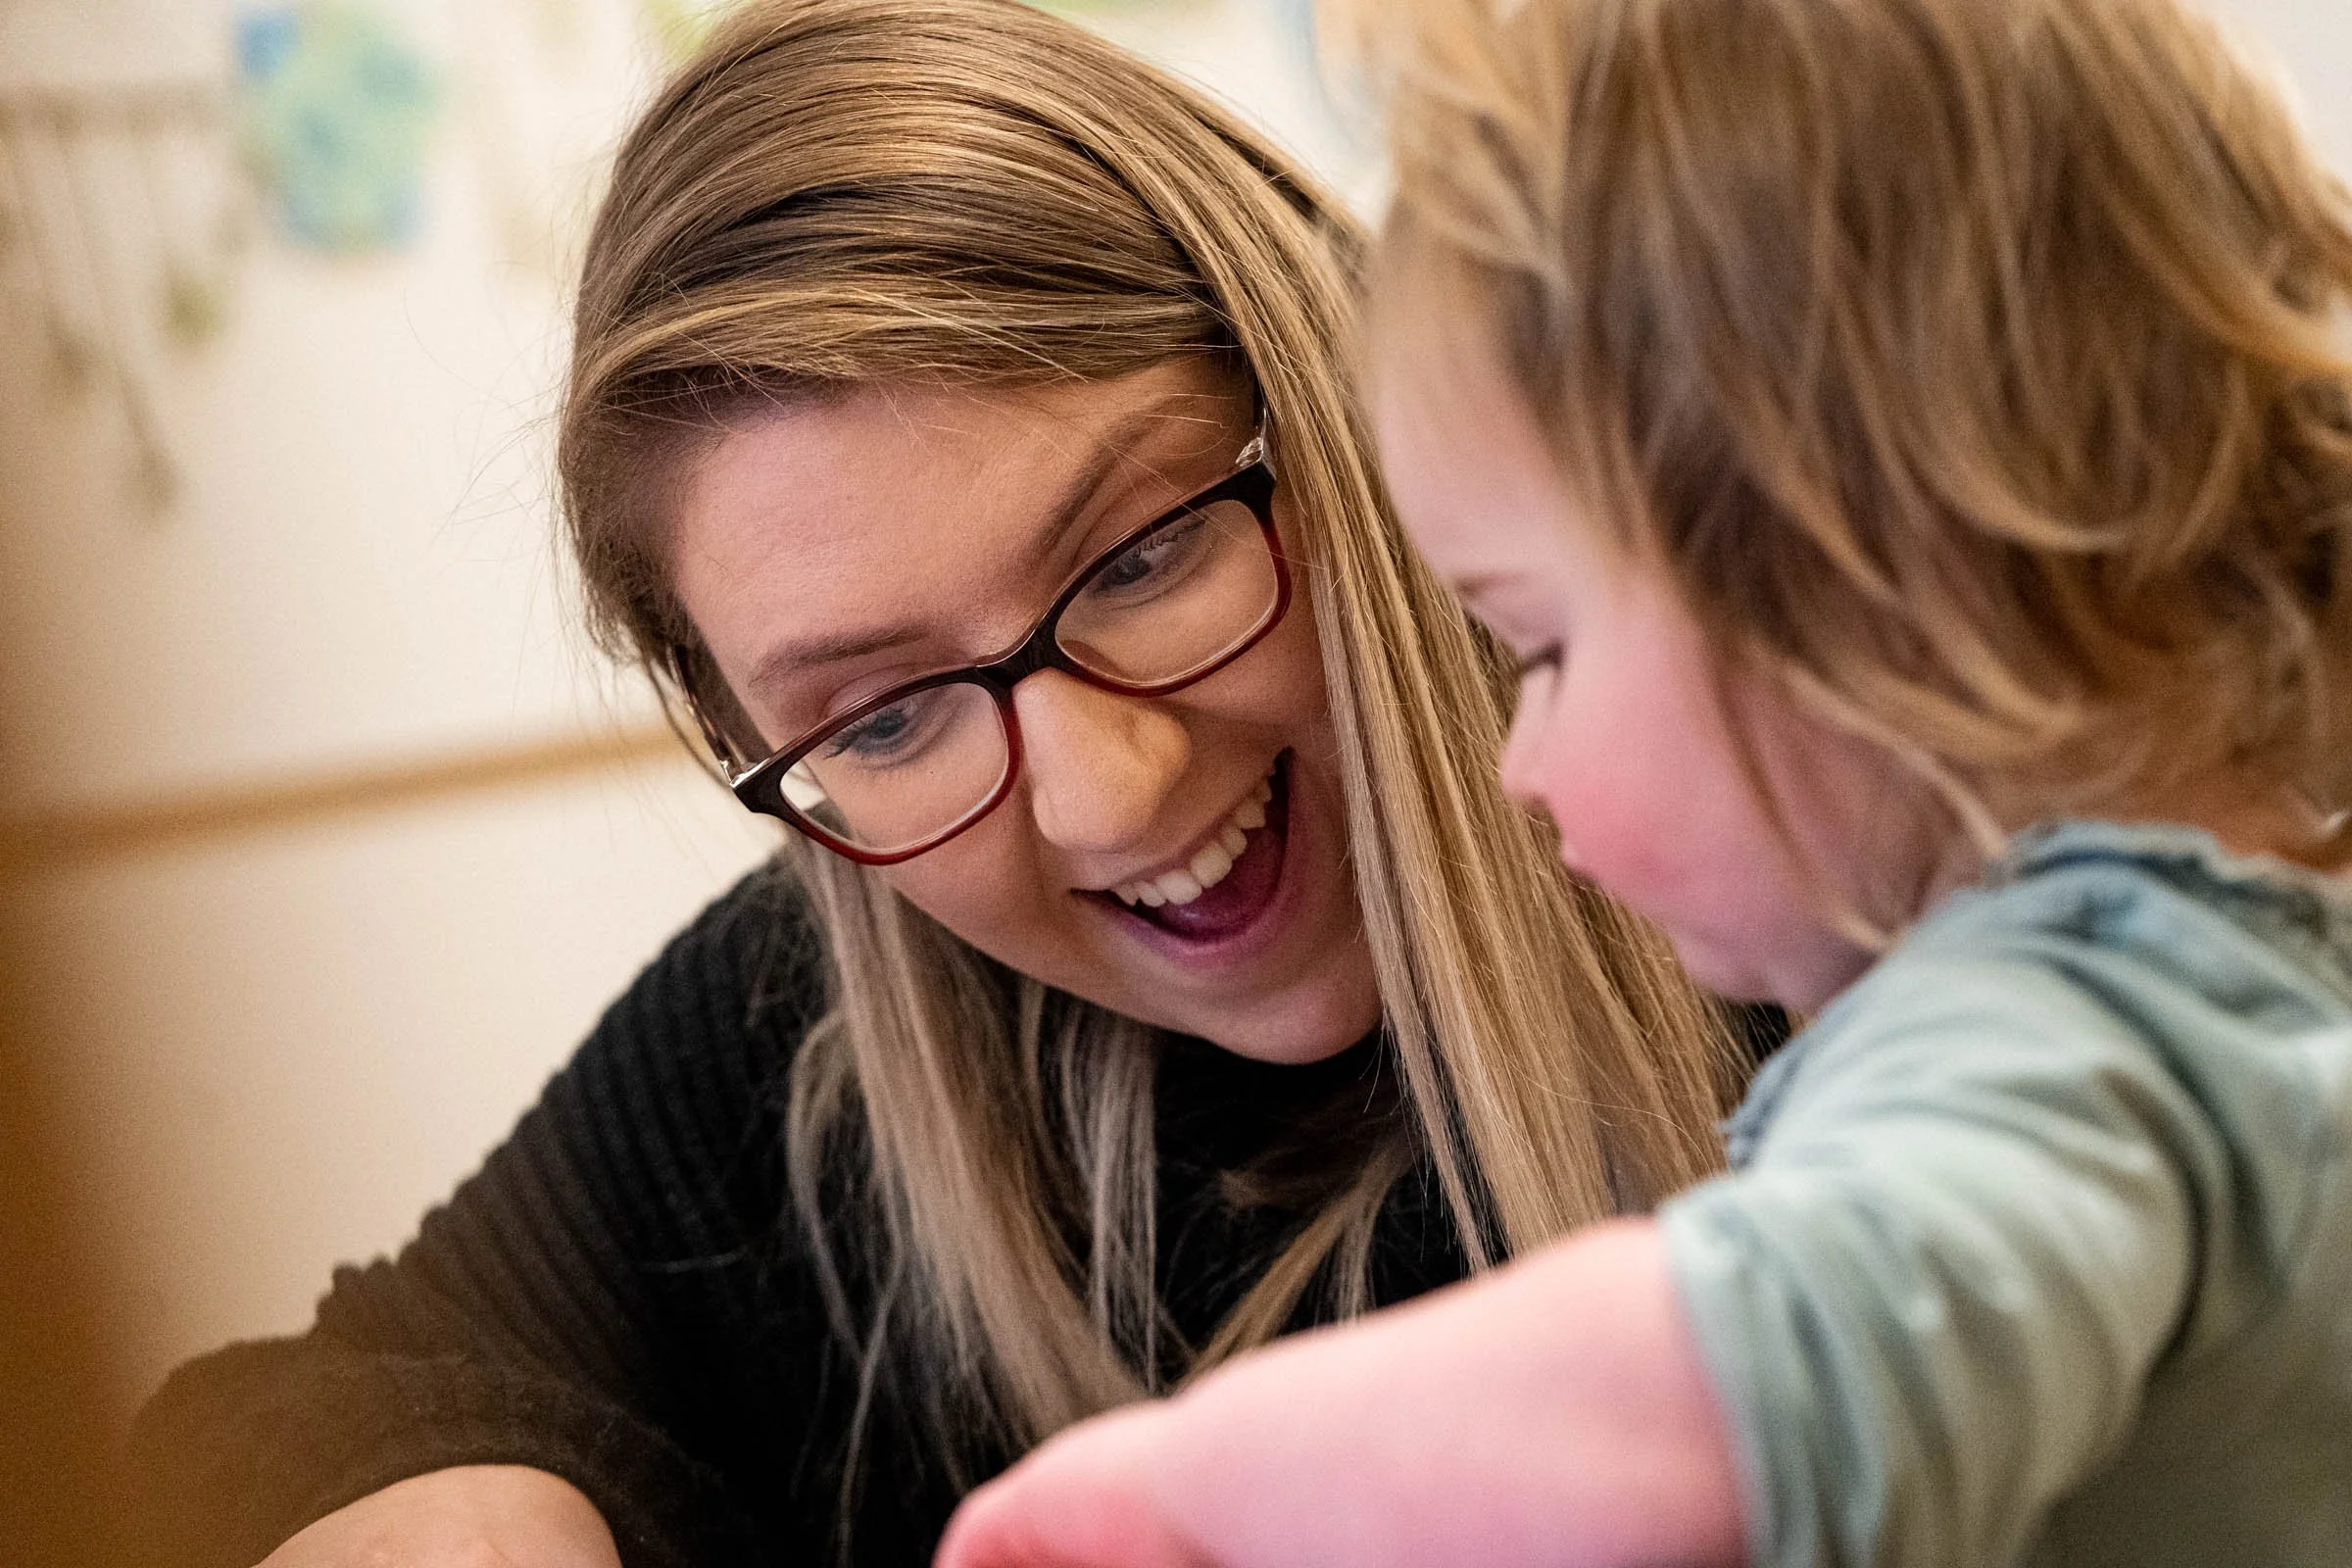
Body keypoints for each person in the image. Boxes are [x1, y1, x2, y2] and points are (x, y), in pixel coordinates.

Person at [122, 2, 1754, 1564]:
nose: (1109, 797)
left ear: (1338, 407)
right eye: (891, 718)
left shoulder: (1803, 838)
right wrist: (457, 1496)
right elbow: (297, 1408)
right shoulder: (799, 1036)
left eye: (1145, 556)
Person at [932, 0, 2352, 1564]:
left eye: (1538, 645)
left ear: (1852, 593)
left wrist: (1179, 1492)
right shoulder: (2260, 992)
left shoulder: (2060, 1030)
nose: (1516, 763)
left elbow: (1740, 1386)